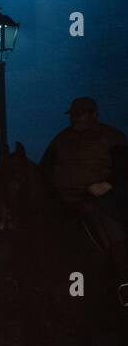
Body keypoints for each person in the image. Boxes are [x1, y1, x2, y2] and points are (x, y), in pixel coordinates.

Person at [38, 97, 128, 289]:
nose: (76, 119)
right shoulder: (61, 139)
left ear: (94, 114)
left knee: (113, 233)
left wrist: (107, 184)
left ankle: (124, 282)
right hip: (63, 201)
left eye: (81, 115)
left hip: (97, 199)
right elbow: (44, 169)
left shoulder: (111, 136)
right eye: (73, 116)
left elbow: (122, 169)